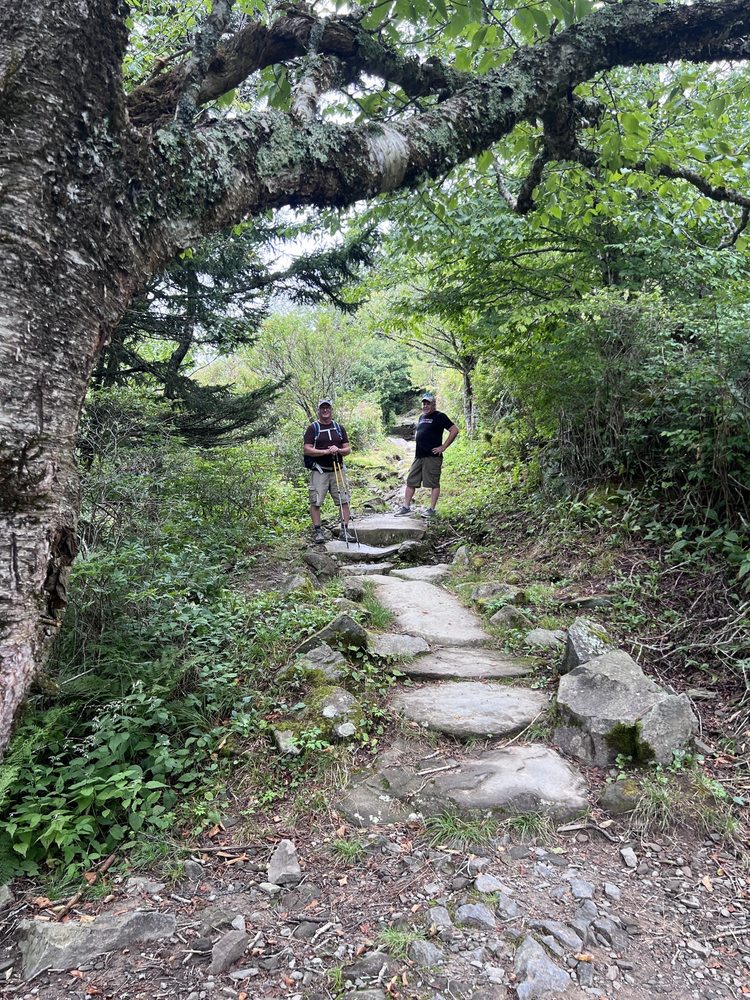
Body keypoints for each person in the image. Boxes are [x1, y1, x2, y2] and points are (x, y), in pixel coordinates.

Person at [395, 393, 458, 518]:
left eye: (428, 404)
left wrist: (444, 446)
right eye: (424, 404)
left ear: (434, 404)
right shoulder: (421, 417)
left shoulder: (440, 416)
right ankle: (406, 507)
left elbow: (454, 430)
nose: (425, 406)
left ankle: (432, 510)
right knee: (411, 481)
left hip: (432, 456)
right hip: (419, 456)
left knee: (433, 483)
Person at [303, 399, 354, 544]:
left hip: (338, 469)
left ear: (331, 409)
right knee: (316, 501)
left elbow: (347, 449)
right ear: (318, 410)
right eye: (322, 408)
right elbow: (307, 449)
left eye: (327, 407)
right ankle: (318, 532)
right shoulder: (313, 428)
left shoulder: (339, 428)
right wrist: (325, 452)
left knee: (344, 500)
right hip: (319, 470)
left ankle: (344, 530)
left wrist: (338, 450)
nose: (325, 410)